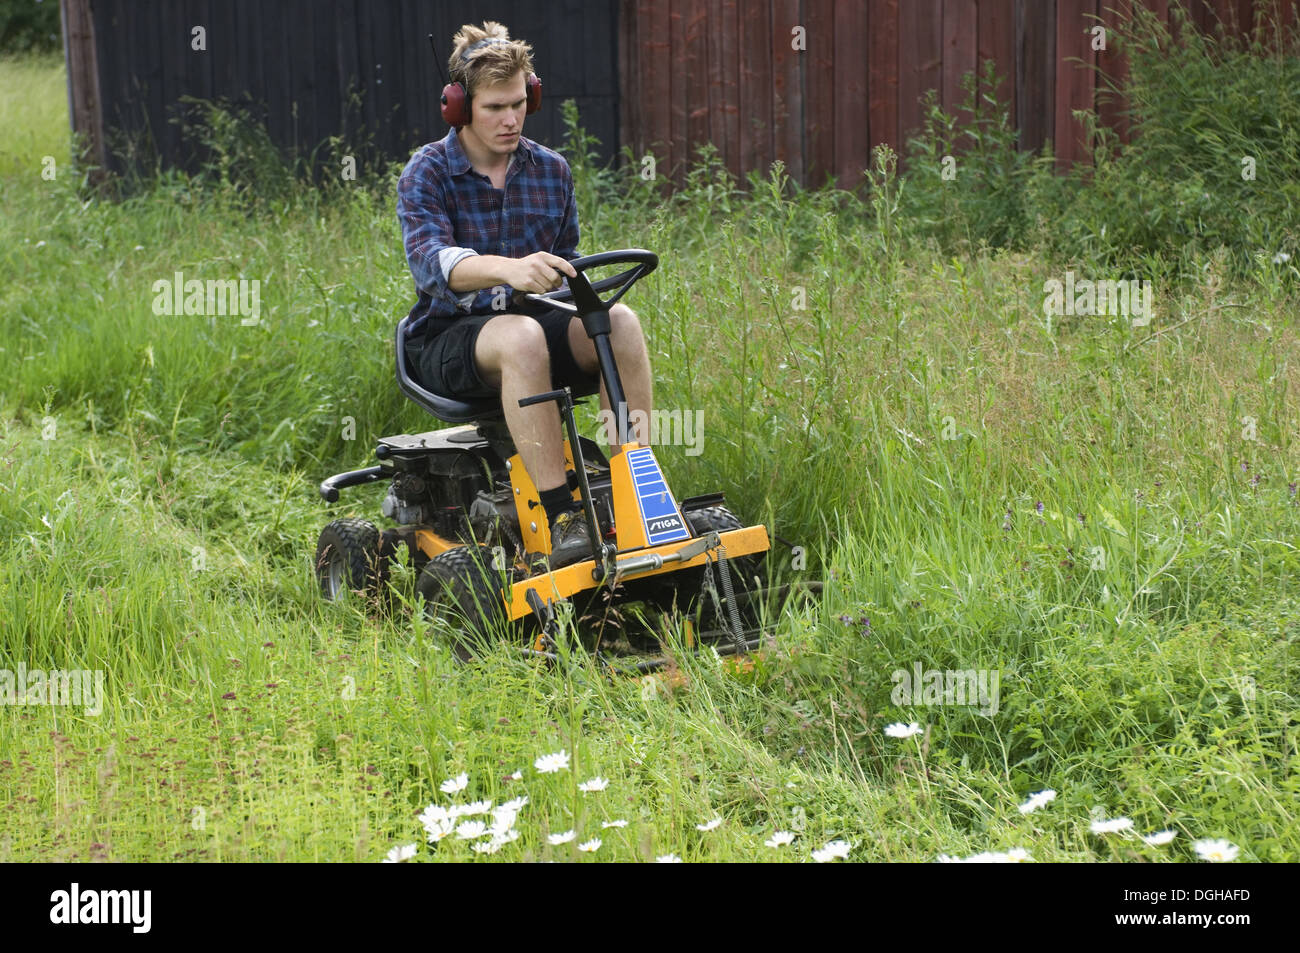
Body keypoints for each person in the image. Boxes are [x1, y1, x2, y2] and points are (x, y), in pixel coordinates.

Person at [397, 21, 653, 569]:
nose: (510, 119)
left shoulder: (551, 171)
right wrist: (509, 270)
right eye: (494, 108)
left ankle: (638, 495)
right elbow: (431, 264)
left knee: (621, 321)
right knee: (521, 335)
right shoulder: (428, 171)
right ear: (459, 108)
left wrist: (562, 279)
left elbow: (566, 264)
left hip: (534, 323)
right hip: (447, 338)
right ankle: (561, 515)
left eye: (518, 103)